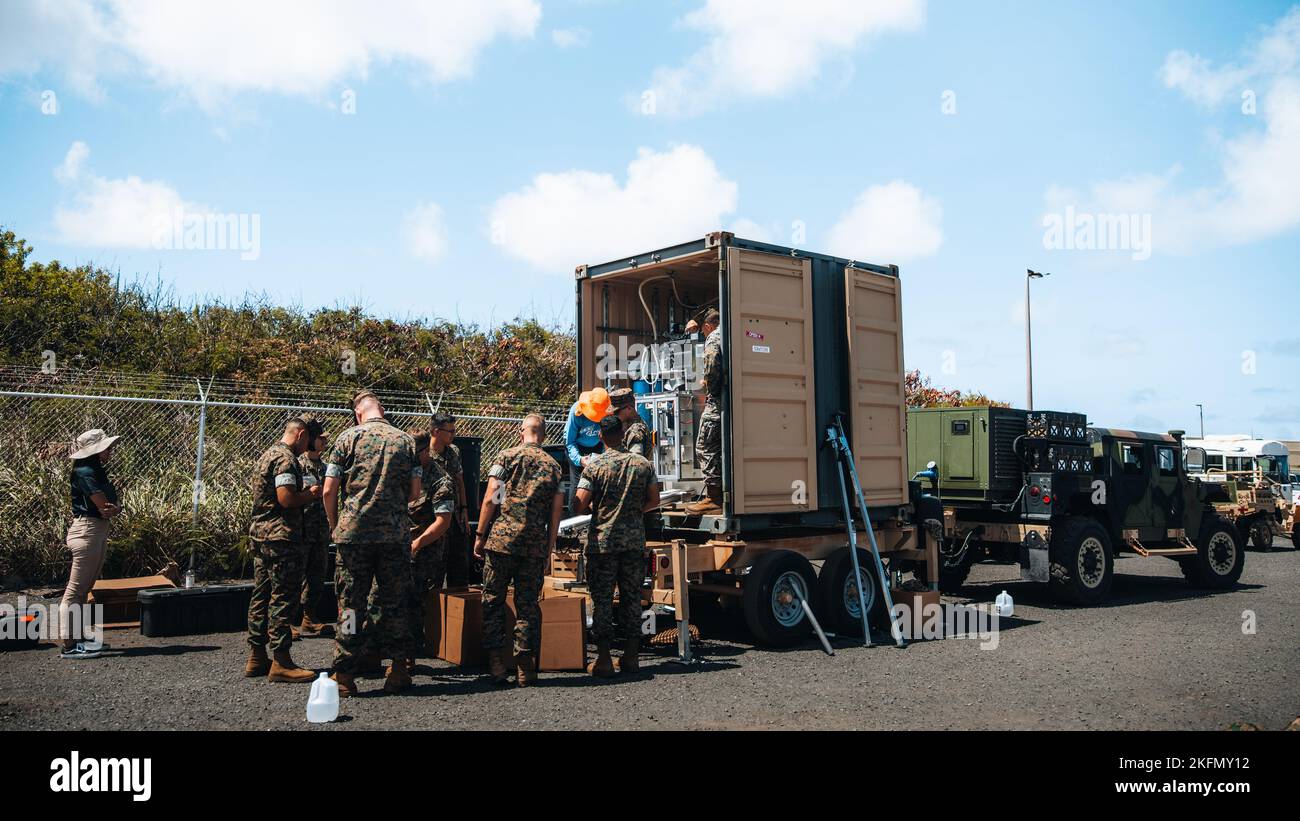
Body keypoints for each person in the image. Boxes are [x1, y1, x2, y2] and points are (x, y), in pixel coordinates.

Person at [323, 390, 422, 697]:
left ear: (358, 414)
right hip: (394, 536)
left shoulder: (346, 439)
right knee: (395, 602)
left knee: (351, 605)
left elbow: (328, 490)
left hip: (353, 536)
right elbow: (415, 492)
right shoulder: (406, 442)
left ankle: (344, 676)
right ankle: (397, 670)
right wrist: (391, 506)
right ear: (383, 410)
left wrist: (335, 524)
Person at [474, 413, 564, 688]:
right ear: (545, 435)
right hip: (534, 544)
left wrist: (480, 534)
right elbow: (556, 513)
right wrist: (549, 547)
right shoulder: (554, 467)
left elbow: (492, 497)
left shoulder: (507, 457)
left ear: (520, 431)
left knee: (493, 600)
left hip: (502, 541)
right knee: (527, 605)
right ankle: (525, 666)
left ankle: (496, 663)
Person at [574, 415, 659, 677]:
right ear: (622, 434)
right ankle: (631, 658)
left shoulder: (595, 467)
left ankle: (603, 660)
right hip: (633, 543)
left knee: (602, 601)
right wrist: (633, 513)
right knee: (632, 598)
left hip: (603, 544)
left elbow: (578, 504)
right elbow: (654, 500)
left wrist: (598, 510)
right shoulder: (643, 465)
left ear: (601, 436)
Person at [244, 418, 321, 683]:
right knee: (283, 597)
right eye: (307, 439)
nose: (307, 445)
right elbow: (286, 498)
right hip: (281, 539)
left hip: (262, 536)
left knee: (261, 595)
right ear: (300, 434)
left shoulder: (267, 455)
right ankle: (281, 661)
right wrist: (311, 494)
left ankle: (256, 655)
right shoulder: (286, 460)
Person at [59, 429, 123, 659]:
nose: (110, 451)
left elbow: (109, 506)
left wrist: (113, 508)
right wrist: (114, 509)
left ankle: (80, 638)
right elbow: (104, 506)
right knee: (75, 589)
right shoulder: (86, 472)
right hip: (88, 530)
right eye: (107, 447)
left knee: (85, 588)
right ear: (96, 450)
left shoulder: (94, 470)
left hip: (95, 529)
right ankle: (69, 644)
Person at [405, 426, 455, 669]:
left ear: (425, 452)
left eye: (414, 452)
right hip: (398, 547)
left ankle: (410, 654)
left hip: (425, 550)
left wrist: (417, 543)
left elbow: (442, 522)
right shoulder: (403, 470)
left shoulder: (440, 480)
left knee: (417, 602)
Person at [294, 416, 331, 639]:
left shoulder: (327, 468)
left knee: (317, 575)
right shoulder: (297, 465)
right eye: (320, 439)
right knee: (294, 575)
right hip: (301, 528)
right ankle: (286, 621)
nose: (324, 442)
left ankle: (309, 618)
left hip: (320, 529)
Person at [685, 309, 724, 515]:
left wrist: (708, 386)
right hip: (730, 405)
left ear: (708, 327)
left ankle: (714, 498)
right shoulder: (730, 331)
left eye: (702, 331)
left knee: (705, 446)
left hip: (717, 405)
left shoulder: (713, 338)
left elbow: (711, 368)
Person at [429, 412, 471, 586]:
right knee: (435, 572)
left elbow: (460, 482)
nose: (454, 434)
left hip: (454, 518)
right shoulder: (424, 454)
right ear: (436, 432)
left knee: (459, 568)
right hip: (433, 518)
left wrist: (464, 510)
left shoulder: (454, 451)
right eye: (450, 431)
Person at [564, 387, 609, 505]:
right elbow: (570, 441)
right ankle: (574, 518)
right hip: (577, 448)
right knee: (578, 485)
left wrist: (604, 454)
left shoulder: (608, 411)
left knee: (599, 484)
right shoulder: (577, 411)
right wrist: (579, 459)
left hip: (597, 448)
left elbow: (608, 437)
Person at [609, 387, 650, 458]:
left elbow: (635, 462)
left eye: (617, 412)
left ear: (629, 408)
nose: (614, 415)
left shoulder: (636, 430)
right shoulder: (629, 426)